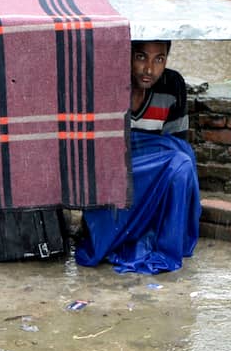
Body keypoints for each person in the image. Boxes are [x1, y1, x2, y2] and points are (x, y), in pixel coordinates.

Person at [75, 40, 201, 274]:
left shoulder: (172, 85)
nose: (149, 69)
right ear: (127, 56)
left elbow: (176, 145)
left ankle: (166, 240)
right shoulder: (109, 83)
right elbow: (95, 146)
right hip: (114, 164)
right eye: (141, 57)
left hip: (156, 170)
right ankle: (109, 233)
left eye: (159, 59)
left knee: (183, 162)